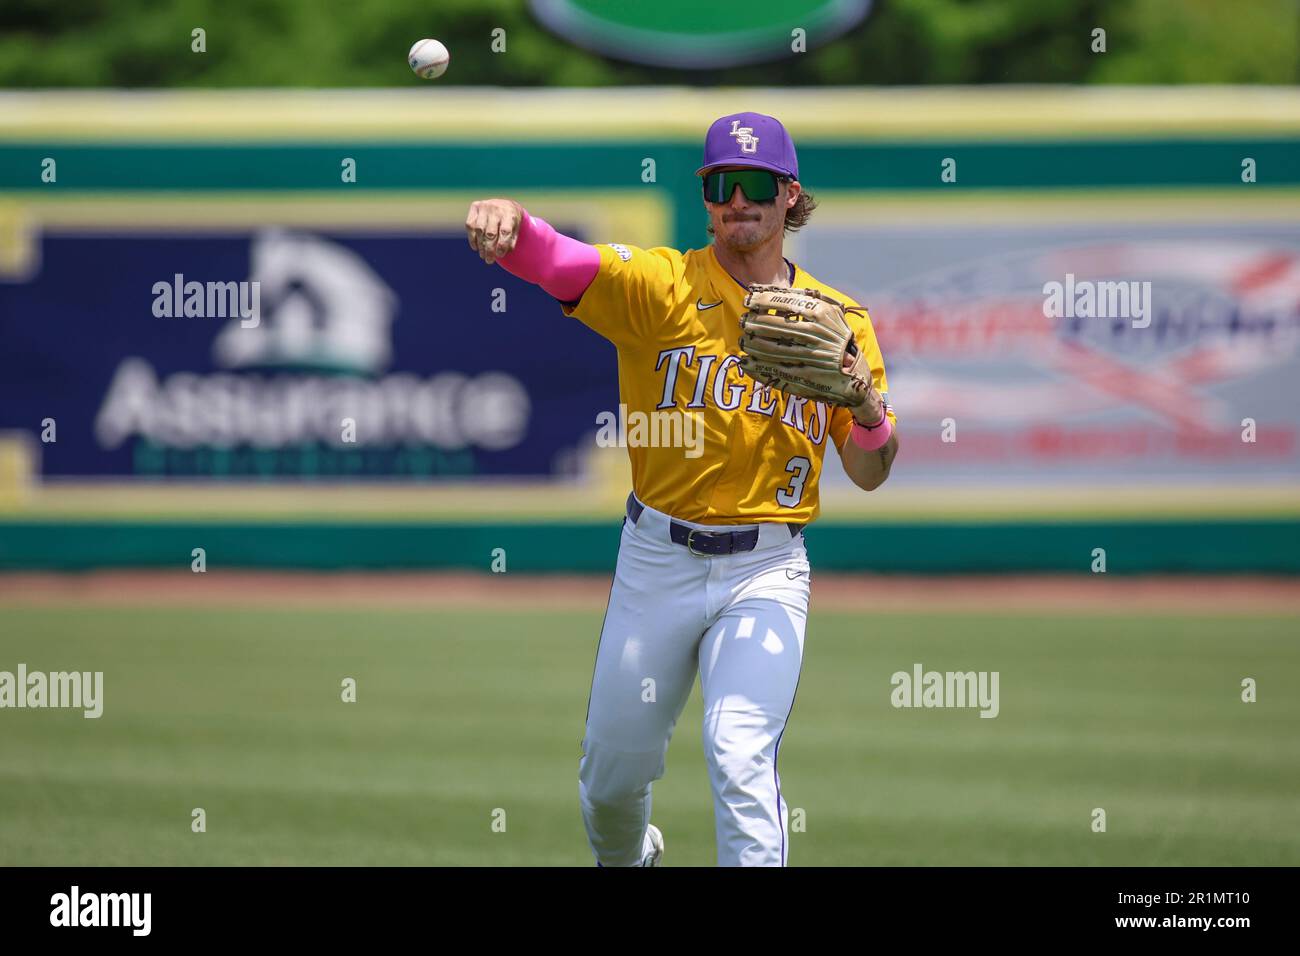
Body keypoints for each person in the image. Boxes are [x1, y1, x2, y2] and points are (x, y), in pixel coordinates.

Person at [465, 111, 898, 866]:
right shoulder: (662, 286)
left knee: (738, 753)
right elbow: (564, 264)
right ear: (707, 198)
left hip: (766, 568)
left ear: (790, 196)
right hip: (657, 558)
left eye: (757, 185)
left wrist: (865, 406)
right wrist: (517, 226)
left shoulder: (840, 323)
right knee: (611, 778)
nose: (740, 200)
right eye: (723, 184)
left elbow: (869, 470)